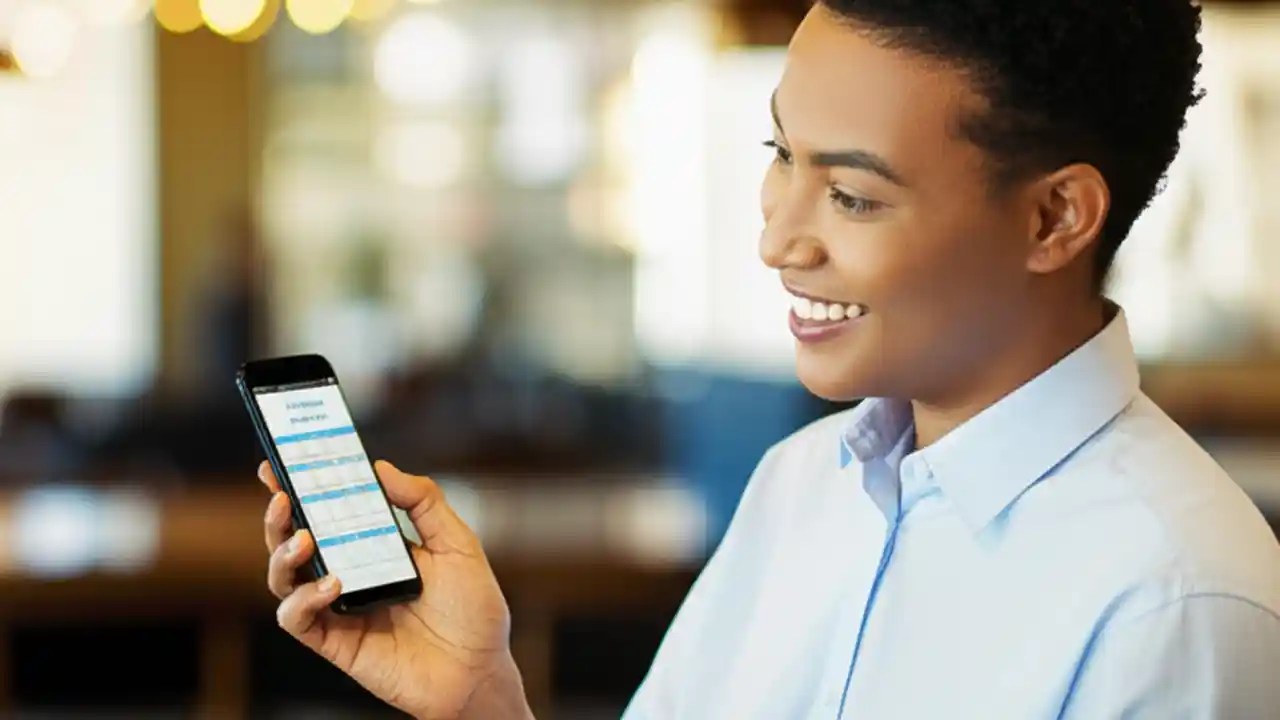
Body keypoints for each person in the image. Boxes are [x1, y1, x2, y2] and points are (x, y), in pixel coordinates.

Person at [256, 1, 1280, 717]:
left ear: (1054, 216)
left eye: (852, 194)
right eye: (779, 156)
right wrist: (480, 698)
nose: (777, 240)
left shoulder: (1179, 607)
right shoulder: (801, 486)